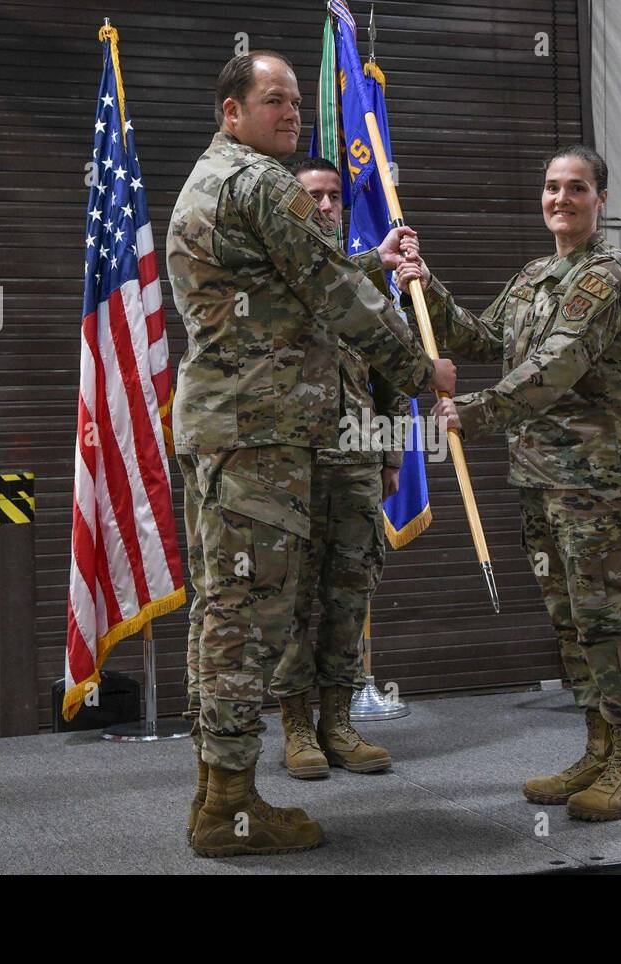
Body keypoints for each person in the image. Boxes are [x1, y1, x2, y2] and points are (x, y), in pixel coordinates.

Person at [166, 50, 456, 858]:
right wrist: (418, 370)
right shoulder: (260, 183)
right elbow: (334, 292)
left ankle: (215, 793)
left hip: (228, 426)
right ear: (232, 110)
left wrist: (370, 263)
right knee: (244, 623)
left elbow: (302, 278)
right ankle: (229, 809)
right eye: (273, 101)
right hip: (258, 434)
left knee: (222, 614)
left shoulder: (211, 180)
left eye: (295, 101)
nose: (291, 113)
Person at [396, 143, 621, 822]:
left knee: (613, 620)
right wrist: (424, 286)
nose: (560, 199)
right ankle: (598, 750)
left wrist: (477, 412)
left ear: (600, 200)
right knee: (571, 623)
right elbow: (485, 338)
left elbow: (558, 363)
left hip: (602, 478)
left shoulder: (611, 277)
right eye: (551, 187)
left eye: (576, 188)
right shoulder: (535, 275)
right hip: (541, 477)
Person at [269, 156, 406, 780]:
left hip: (354, 460)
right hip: (290, 466)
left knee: (350, 592)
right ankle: (296, 726)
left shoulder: (368, 286)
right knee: (293, 596)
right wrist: (375, 258)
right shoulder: (276, 270)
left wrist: (392, 454)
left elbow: (393, 370)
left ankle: (339, 720)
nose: (325, 208)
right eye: (313, 198)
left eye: (333, 198)